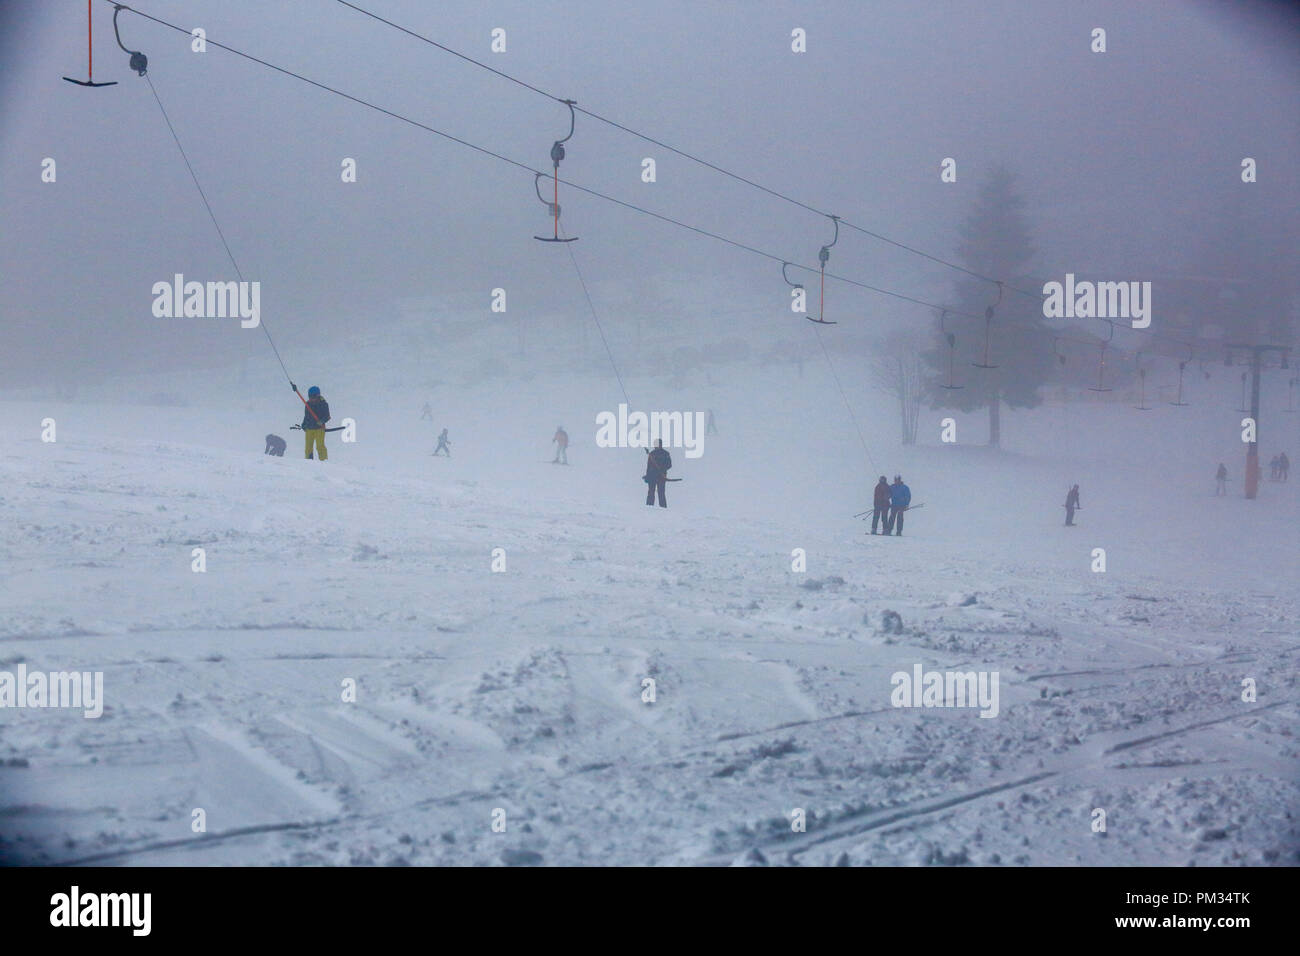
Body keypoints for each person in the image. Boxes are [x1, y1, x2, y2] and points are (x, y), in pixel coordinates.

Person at [297, 385, 330, 460]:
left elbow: (327, 416)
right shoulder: (308, 404)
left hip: (319, 429)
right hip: (309, 429)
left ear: (318, 396)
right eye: (310, 397)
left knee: (320, 446)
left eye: (313, 397)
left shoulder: (324, 404)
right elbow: (306, 416)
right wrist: (304, 424)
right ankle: (309, 461)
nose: (312, 399)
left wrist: (322, 421)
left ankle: (323, 460)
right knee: (308, 447)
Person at [644, 439, 672, 508]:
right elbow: (649, 466)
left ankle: (662, 508)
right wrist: (647, 476)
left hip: (660, 477)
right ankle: (649, 508)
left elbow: (669, 465)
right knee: (653, 493)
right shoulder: (652, 454)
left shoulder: (664, 454)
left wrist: (662, 468)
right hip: (654, 477)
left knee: (660, 493)